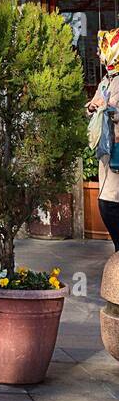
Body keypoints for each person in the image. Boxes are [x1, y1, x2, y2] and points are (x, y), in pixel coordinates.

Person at [87, 28, 119, 251]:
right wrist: (91, 107)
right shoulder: (106, 80)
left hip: (117, 149)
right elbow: (93, 103)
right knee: (106, 202)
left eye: (103, 49)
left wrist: (109, 109)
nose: (99, 54)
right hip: (107, 150)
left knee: (110, 203)